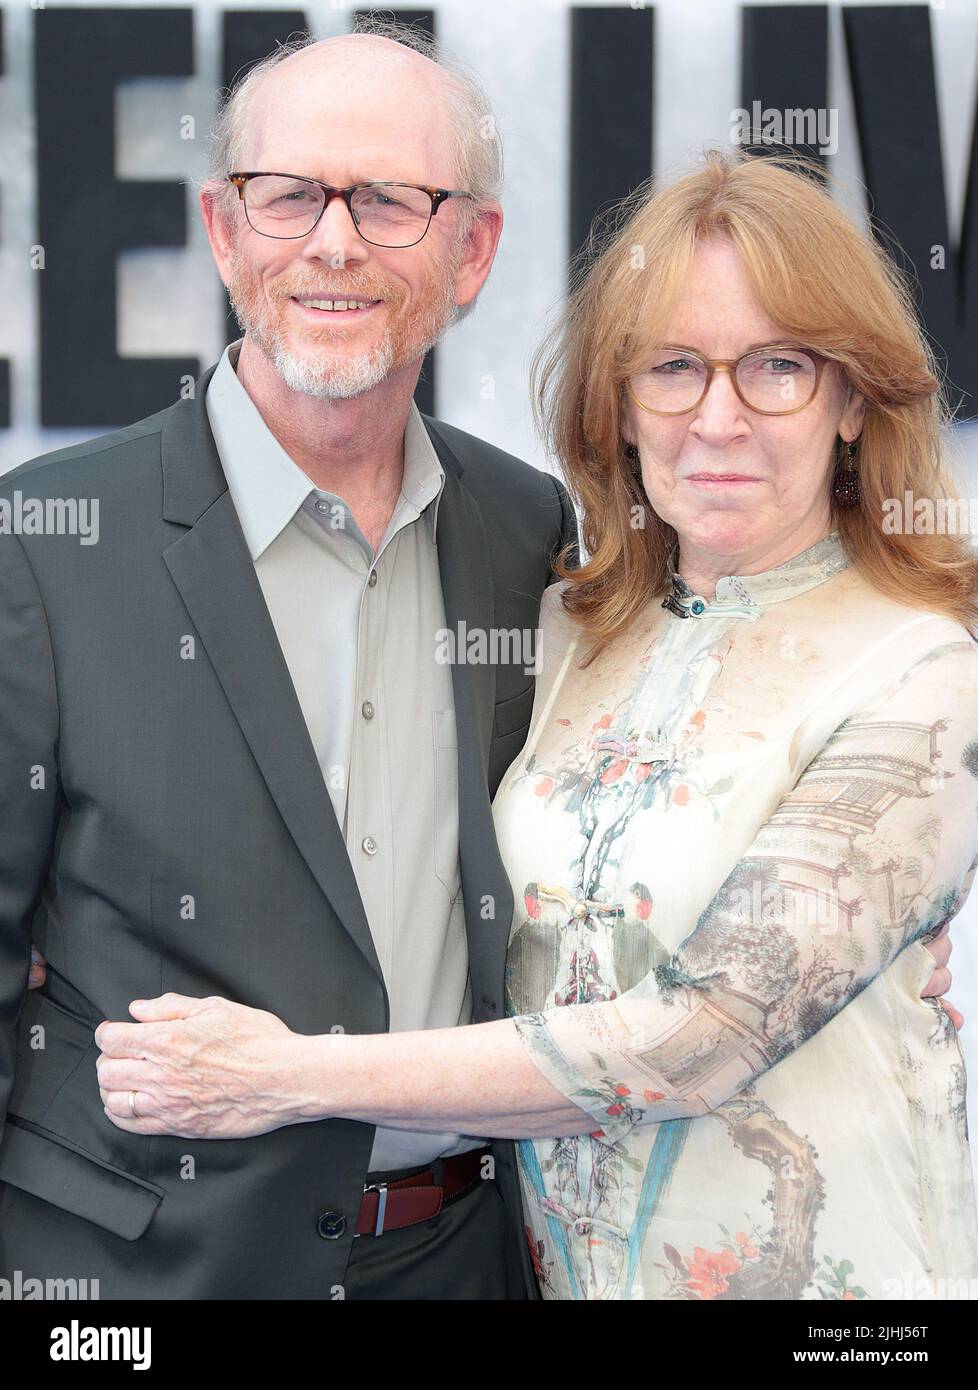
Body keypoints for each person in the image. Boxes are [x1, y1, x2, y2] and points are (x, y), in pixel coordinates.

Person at [92, 149, 978, 1301]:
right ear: (615, 405)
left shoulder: (923, 668)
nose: (719, 417)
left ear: (853, 398)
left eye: (778, 367)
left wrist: (291, 1075)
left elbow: (702, 1033)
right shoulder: (571, 626)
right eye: (673, 367)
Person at [0, 22, 577, 1299]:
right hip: (135, 1278)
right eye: (289, 195)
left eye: (388, 199)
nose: (332, 240)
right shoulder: (45, 542)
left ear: (471, 249)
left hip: (465, 1258)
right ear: (223, 228)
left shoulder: (532, 534)